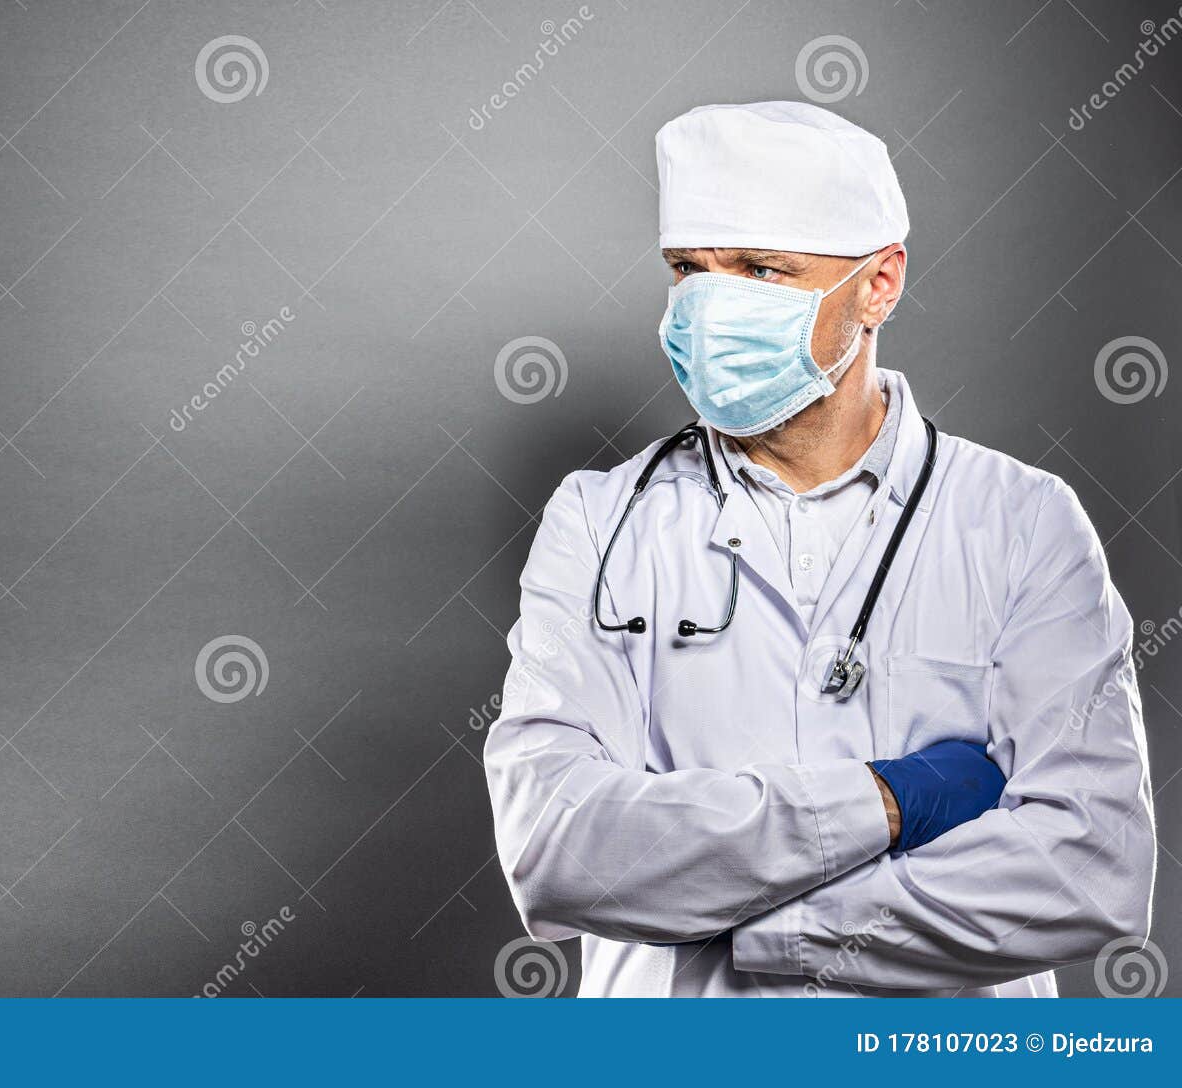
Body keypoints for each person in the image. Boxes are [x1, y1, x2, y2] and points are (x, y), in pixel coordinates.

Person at [483, 101, 1156, 997]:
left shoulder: (1022, 523)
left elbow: (1092, 871)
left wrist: (777, 926)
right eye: (688, 270)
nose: (711, 309)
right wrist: (889, 799)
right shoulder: (600, 521)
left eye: (762, 270)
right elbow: (554, 851)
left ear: (879, 284)